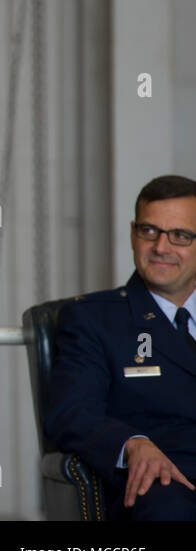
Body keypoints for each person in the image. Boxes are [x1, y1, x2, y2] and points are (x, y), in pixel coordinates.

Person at [47, 174, 196, 520]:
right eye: (149, 231)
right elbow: (71, 413)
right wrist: (132, 444)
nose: (161, 247)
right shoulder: (93, 319)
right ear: (133, 234)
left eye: (180, 236)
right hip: (162, 488)